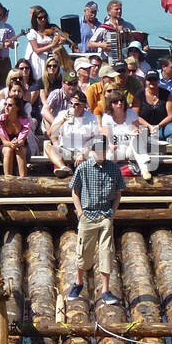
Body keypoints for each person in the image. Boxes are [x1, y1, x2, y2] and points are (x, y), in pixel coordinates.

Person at [67, 136, 127, 305]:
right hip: (88, 215)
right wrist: (80, 213)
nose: (101, 153)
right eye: (98, 150)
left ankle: (106, 290)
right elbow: (75, 191)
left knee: (106, 252)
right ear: (93, 151)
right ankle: (78, 283)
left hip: (105, 215)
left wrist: (112, 213)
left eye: (103, 150)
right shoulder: (84, 168)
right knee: (83, 251)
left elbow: (118, 193)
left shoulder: (114, 169)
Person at [101, 90, 158, 181]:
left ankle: (145, 170)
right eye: (115, 102)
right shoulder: (106, 117)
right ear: (110, 104)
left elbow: (137, 130)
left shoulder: (131, 113)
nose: (119, 103)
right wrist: (110, 145)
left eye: (121, 101)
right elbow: (105, 137)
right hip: (116, 150)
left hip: (130, 149)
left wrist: (135, 132)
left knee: (137, 140)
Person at [46, 89, 98, 177]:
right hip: (66, 149)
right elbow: (50, 133)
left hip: (84, 151)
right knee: (48, 147)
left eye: (76, 104)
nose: (73, 106)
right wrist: (62, 121)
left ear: (83, 105)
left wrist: (84, 153)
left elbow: (97, 138)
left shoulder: (91, 118)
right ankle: (63, 167)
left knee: (96, 154)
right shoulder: (63, 114)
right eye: (71, 103)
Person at [0, 98, 35, 176]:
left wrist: (17, 143)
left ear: (17, 108)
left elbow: (22, 141)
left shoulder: (25, 122)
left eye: (10, 105)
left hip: (22, 148)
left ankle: (23, 180)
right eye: (5, 104)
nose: (6, 107)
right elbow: (4, 142)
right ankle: (8, 179)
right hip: (4, 150)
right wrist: (12, 144)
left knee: (20, 150)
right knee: (8, 150)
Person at [136, 70, 172, 143]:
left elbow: (171, 115)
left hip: (162, 127)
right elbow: (135, 115)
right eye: (149, 80)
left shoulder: (166, 94)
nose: (152, 82)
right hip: (145, 128)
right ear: (145, 81)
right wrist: (149, 126)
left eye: (154, 79)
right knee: (138, 133)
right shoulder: (139, 94)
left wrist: (158, 126)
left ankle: (168, 149)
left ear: (158, 81)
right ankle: (151, 144)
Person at [24, 5, 60, 81]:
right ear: (35, 19)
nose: (43, 19)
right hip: (38, 59)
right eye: (40, 18)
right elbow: (36, 50)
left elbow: (61, 40)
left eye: (45, 17)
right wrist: (52, 44)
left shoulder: (51, 29)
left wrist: (60, 40)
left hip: (50, 58)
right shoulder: (32, 32)